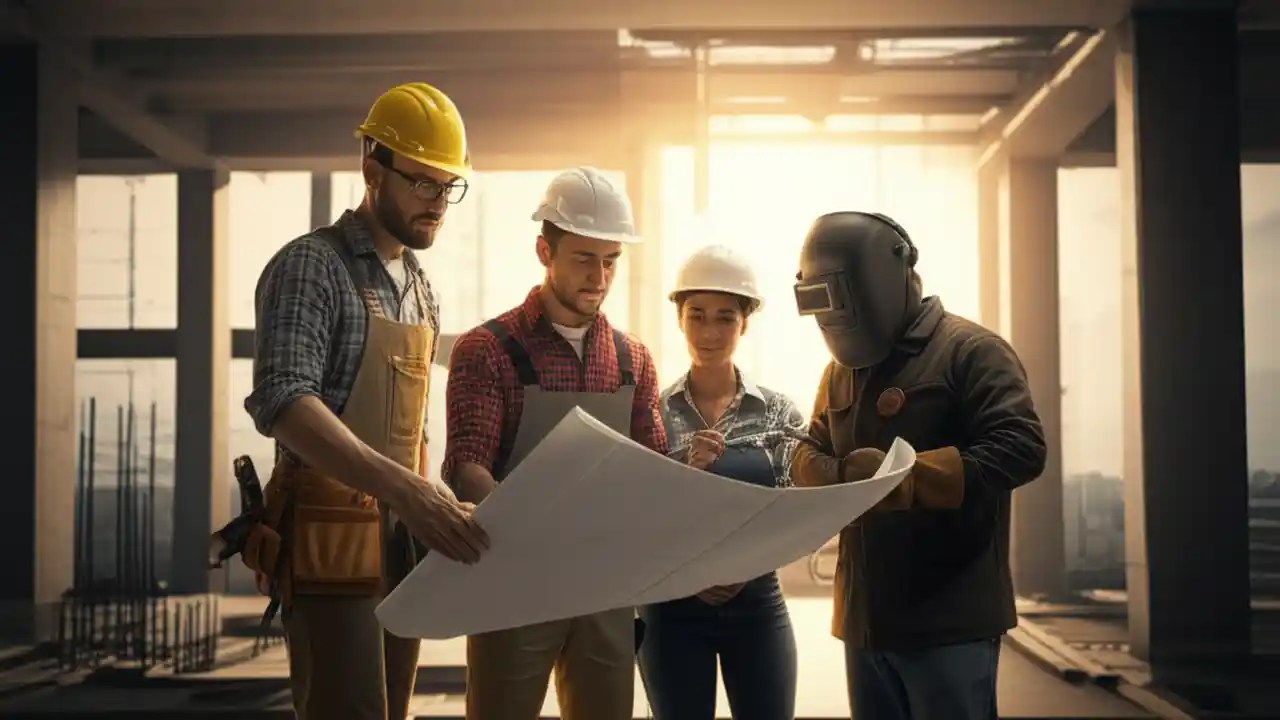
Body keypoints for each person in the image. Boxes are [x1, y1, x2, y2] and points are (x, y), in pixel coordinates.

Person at [239, 82, 490, 720]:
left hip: (402, 541)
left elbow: (413, 426)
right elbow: (283, 400)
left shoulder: (420, 288)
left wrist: (434, 505)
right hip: (328, 538)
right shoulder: (312, 267)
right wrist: (408, 492)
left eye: (449, 186)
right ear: (372, 172)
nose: (438, 203)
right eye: (423, 183)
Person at [788, 212, 1047, 720]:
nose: (835, 316)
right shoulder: (840, 373)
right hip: (864, 622)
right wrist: (841, 476)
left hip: (949, 622)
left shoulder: (972, 352)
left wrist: (904, 481)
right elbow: (805, 451)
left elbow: (1021, 447)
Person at [443, 166, 668, 720]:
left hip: (604, 586)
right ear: (545, 251)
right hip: (514, 580)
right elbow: (468, 467)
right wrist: (537, 538)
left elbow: (655, 467)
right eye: (584, 258)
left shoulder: (632, 358)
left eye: (611, 260)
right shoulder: (488, 349)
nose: (600, 275)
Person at [636, 244, 806, 720]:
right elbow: (634, 514)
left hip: (756, 604)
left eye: (725, 318)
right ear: (679, 319)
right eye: (697, 316)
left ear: (745, 323)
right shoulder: (650, 412)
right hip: (670, 608)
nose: (709, 332)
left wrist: (745, 566)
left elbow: (799, 512)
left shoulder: (779, 412)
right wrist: (685, 472)